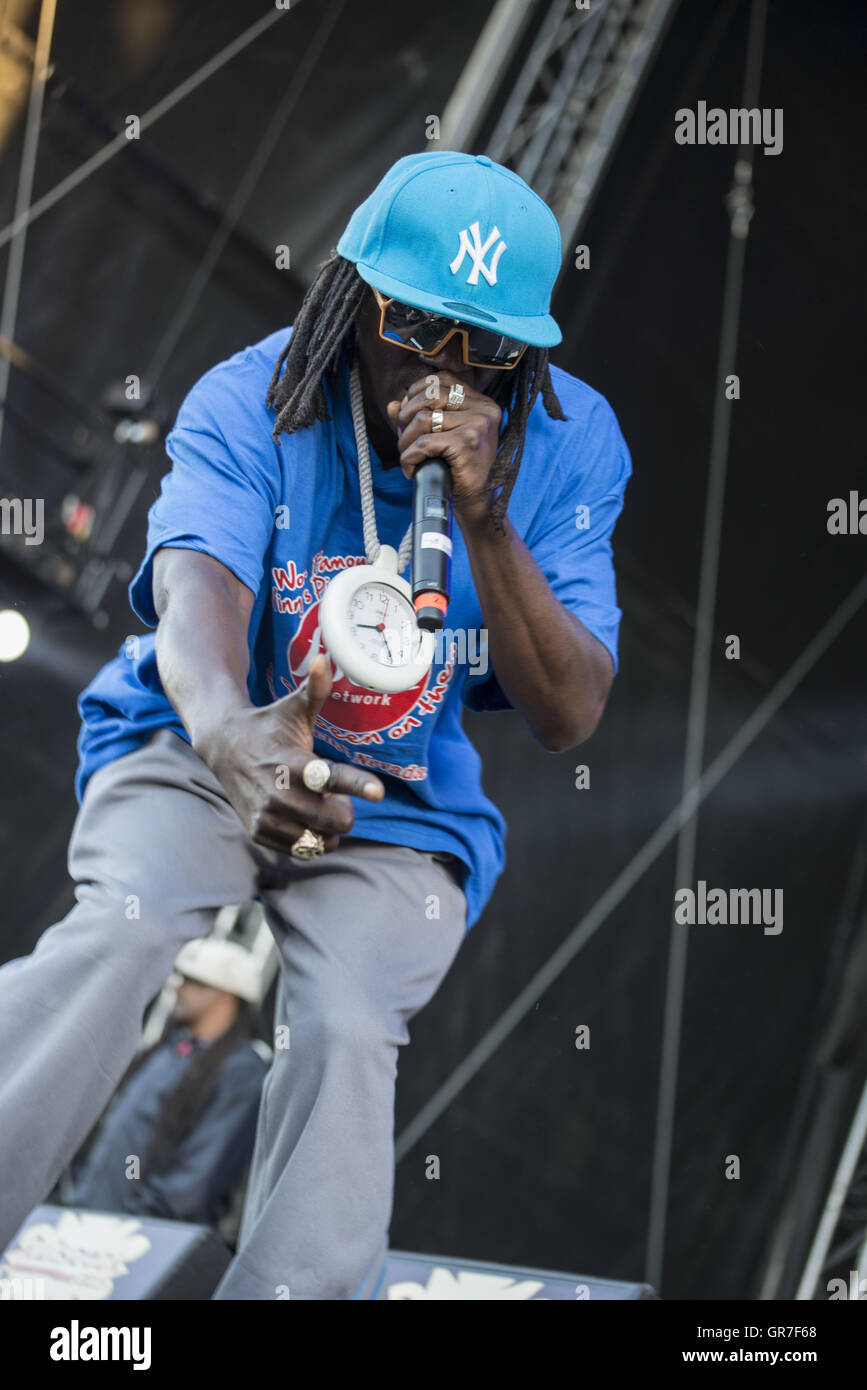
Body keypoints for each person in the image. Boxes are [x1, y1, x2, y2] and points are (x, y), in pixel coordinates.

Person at [0, 151, 631, 1299]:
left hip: (400, 810)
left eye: (482, 348)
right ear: (353, 294)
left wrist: (487, 520)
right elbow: (196, 599)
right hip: (205, 747)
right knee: (120, 940)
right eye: (415, 325)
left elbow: (572, 709)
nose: (441, 370)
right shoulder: (256, 394)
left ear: (528, 356)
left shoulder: (571, 443)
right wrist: (230, 735)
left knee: (344, 1027)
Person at [62, 937, 269, 1234]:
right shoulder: (168, 1049)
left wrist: (134, 1226)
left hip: (137, 1241)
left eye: (193, 981)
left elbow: (195, 1181)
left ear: (226, 996)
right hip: (84, 1225)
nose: (177, 987)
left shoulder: (243, 1070)